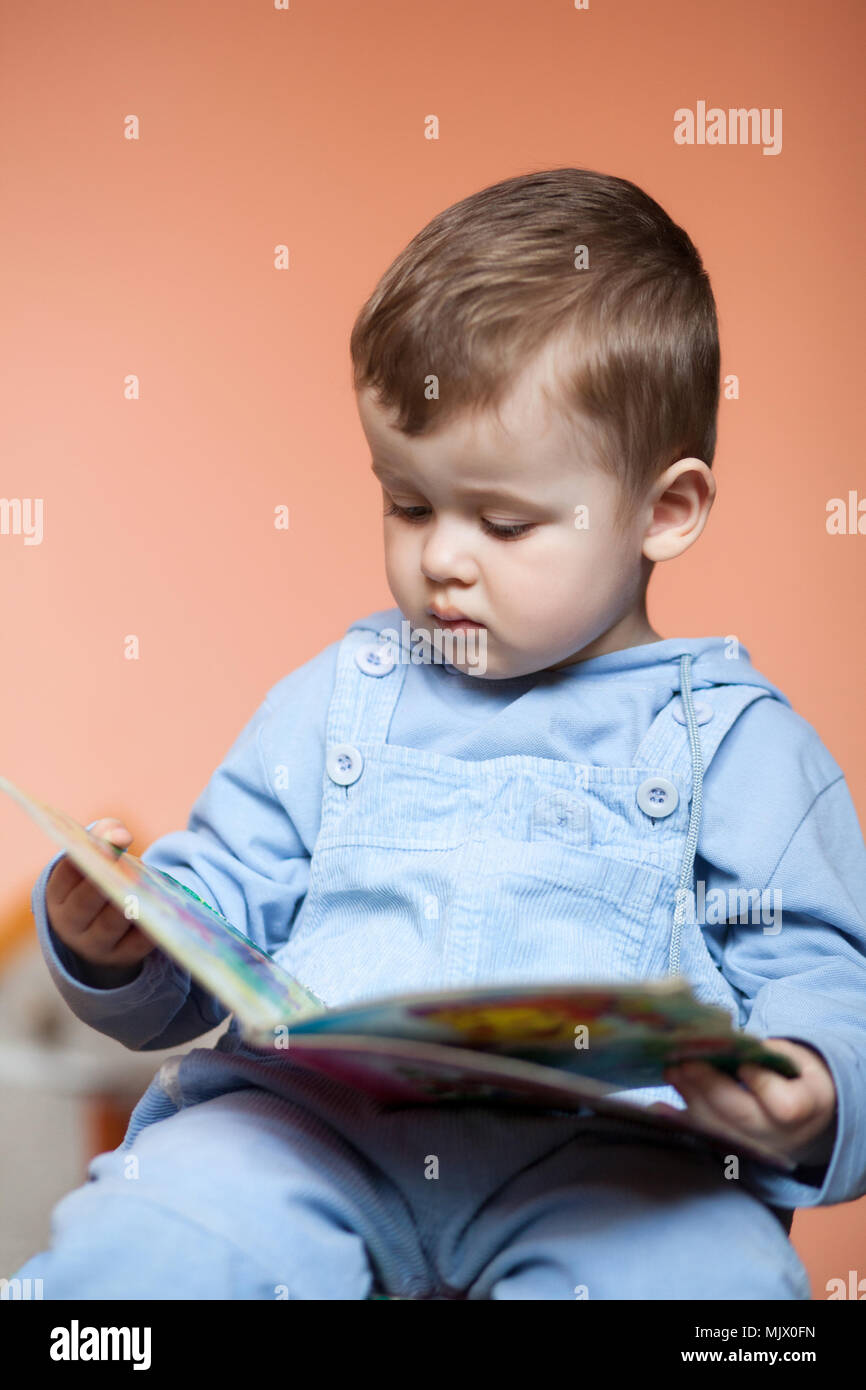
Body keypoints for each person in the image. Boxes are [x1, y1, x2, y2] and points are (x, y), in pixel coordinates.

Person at [12, 168, 864, 1300]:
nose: (441, 558)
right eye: (406, 503)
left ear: (664, 510)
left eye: (502, 520)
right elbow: (219, 912)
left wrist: (811, 1082)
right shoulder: (338, 697)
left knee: (719, 1291)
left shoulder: (736, 744)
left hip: (616, 1170)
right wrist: (125, 935)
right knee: (147, 1239)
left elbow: (818, 970)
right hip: (307, 1132)